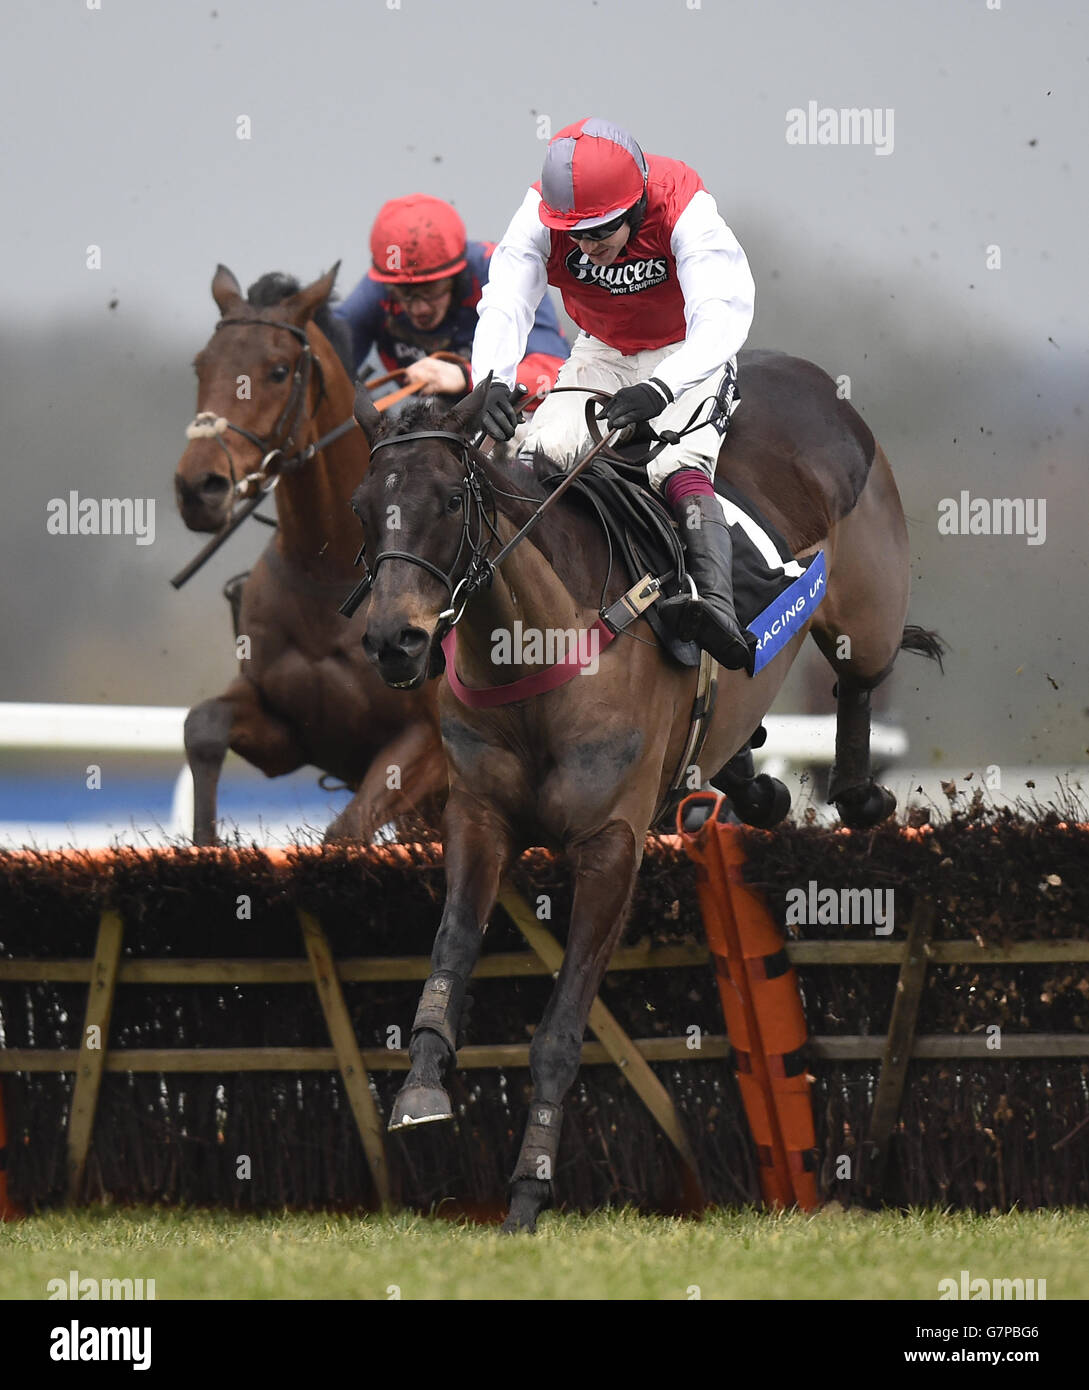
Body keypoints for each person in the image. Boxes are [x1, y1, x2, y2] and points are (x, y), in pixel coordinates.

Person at [470, 118, 757, 671]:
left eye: (601, 232)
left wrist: (662, 387)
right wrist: (491, 381)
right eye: (574, 235)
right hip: (601, 349)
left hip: (687, 349)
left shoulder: (685, 209)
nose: (587, 247)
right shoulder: (536, 215)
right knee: (535, 455)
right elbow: (506, 300)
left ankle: (715, 608)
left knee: (675, 464)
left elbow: (720, 319)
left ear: (635, 207)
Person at [333, 194, 568, 403]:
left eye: (431, 288)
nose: (419, 308)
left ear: (457, 276)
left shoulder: (500, 272)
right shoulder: (379, 288)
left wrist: (464, 376)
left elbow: (554, 375)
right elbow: (324, 363)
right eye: (404, 292)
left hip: (517, 417)